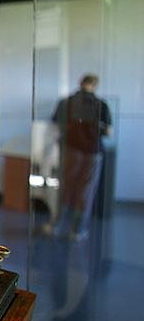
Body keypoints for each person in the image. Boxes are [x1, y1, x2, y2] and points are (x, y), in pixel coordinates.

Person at [51, 74, 112, 240]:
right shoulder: (101, 104)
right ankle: (78, 229)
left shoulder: (67, 102)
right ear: (95, 85)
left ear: (80, 83)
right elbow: (108, 131)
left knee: (66, 188)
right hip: (92, 151)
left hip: (72, 148)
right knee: (86, 190)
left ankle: (58, 225)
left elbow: (57, 125)